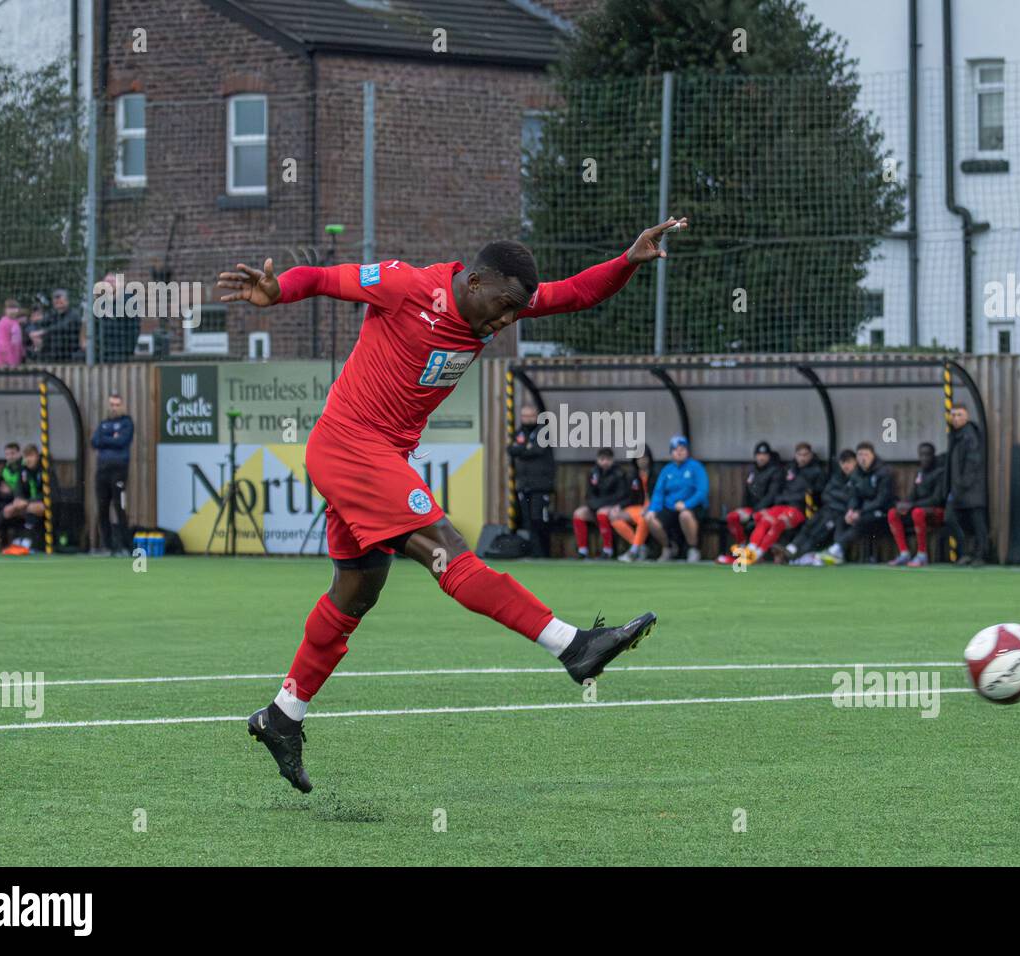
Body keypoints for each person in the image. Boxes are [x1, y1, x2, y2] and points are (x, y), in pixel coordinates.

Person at [216, 216, 685, 792]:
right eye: (506, 305)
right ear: (478, 280)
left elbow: (575, 294)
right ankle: (573, 645)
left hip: (379, 455)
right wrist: (276, 289)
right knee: (448, 550)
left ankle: (283, 714)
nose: (510, 319)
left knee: (355, 593)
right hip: (350, 445)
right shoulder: (404, 285)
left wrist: (627, 259)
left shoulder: (497, 302)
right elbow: (322, 277)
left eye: (518, 309)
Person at [736, 442, 826, 565]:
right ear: (795, 455)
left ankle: (758, 554)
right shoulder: (789, 469)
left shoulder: (817, 471)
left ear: (811, 455)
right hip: (782, 505)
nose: (802, 458)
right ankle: (751, 549)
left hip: (799, 508)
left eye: (805, 455)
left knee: (778, 523)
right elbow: (779, 489)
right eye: (800, 454)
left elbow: (816, 494)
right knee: (764, 520)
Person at [818, 441, 895, 565]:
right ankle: (839, 553)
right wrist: (851, 510)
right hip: (863, 511)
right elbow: (854, 496)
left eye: (866, 455)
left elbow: (881, 500)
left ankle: (836, 548)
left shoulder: (883, 472)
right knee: (841, 518)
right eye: (860, 455)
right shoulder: (856, 474)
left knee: (862, 520)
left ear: (873, 455)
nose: (863, 458)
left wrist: (860, 512)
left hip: (884, 512)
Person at [645, 434, 709, 563]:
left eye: (682, 449)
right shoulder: (667, 470)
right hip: (670, 507)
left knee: (685, 515)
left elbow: (702, 491)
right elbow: (659, 492)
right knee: (650, 519)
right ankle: (668, 548)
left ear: (687, 451)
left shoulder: (696, 467)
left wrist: (687, 504)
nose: (679, 452)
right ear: (671, 452)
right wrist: (653, 509)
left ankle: (693, 549)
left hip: (693, 506)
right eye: (676, 450)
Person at [787, 449, 857, 565]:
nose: (846, 466)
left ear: (855, 462)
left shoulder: (857, 478)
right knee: (810, 524)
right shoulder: (837, 476)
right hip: (828, 509)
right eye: (843, 462)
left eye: (849, 462)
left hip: (840, 514)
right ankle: (792, 548)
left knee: (819, 531)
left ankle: (798, 556)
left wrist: (836, 498)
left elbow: (850, 499)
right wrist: (839, 498)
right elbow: (826, 494)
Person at [943, 403, 989, 566]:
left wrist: (961, 485)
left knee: (977, 524)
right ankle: (968, 553)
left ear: (967, 416)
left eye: (959, 415)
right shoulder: (955, 436)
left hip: (971, 489)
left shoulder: (970, 435)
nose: (955, 418)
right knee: (954, 520)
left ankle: (981, 555)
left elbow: (973, 463)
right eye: (953, 415)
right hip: (958, 488)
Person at [507, 403, 555, 557]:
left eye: (530, 416)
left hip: (540, 485)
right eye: (524, 416)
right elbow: (511, 449)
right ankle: (534, 553)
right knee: (527, 520)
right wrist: (525, 448)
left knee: (538, 519)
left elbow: (536, 450)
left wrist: (523, 449)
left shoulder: (543, 432)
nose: (527, 419)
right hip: (523, 484)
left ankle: (543, 554)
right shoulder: (519, 432)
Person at [887, 442, 946, 567]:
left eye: (927, 455)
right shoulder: (920, 472)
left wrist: (913, 505)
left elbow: (937, 499)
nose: (924, 458)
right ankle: (904, 553)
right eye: (921, 455)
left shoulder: (940, 473)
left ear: (933, 456)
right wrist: (904, 504)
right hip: (918, 509)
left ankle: (922, 555)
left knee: (917, 512)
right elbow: (913, 495)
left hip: (937, 512)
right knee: (893, 513)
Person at [721, 441, 782, 559]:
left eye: (764, 454)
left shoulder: (776, 471)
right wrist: (744, 509)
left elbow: (771, 495)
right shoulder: (753, 471)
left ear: (769, 456)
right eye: (759, 454)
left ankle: (755, 552)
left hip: (768, 510)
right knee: (732, 517)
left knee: (761, 520)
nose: (761, 457)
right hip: (752, 509)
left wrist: (756, 511)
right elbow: (747, 494)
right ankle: (742, 544)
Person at [90, 392, 134, 556]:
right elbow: (94, 441)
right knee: (102, 508)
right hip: (102, 470)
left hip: (119, 470)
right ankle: (108, 546)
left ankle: (125, 546)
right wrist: (111, 438)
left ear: (122, 406)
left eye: (117, 404)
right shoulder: (104, 423)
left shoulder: (127, 423)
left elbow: (122, 441)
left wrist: (106, 439)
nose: (114, 408)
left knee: (119, 507)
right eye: (112, 405)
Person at [572, 448, 628, 559]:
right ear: (598, 460)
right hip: (596, 506)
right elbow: (589, 495)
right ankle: (582, 551)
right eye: (602, 459)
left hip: (612, 507)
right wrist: (594, 505)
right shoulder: (594, 473)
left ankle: (608, 550)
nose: (605, 462)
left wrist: (603, 505)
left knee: (602, 513)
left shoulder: (619, 473)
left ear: (612, 460)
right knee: (578, 514)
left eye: (608, 459)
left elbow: (621, 496)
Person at [610, 445, 656, 562]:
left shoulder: (656, 474)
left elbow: (659, 495)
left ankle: (634, 550)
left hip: (653, 507)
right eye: (639, 458)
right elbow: (628, 497)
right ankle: (641, 547)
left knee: (643, 517)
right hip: (636, 507)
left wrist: (650, 506)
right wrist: (618, 507)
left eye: (644, 458)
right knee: (615, 518)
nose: (642, 461)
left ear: (649, 458)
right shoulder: (632, 476)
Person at [42, 288, 82, 362]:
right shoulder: (51, 315)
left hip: (70, 356)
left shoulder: (74, 314)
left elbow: (63, 326)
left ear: (67, 301)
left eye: (60, 298)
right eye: (55, 299)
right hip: (52, 356)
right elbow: (40, 325)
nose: (58, 301)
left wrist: (44, 331)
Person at [0, 298, 25, 367]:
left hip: (15, 359)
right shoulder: (3, 323)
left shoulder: (15, 322)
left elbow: (18, 341)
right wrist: (9, 360)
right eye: (10, 308)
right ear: (5, 310)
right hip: (5, 361)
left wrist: (22, 353)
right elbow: (2, 343)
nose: (13, 311)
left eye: (14, 308)